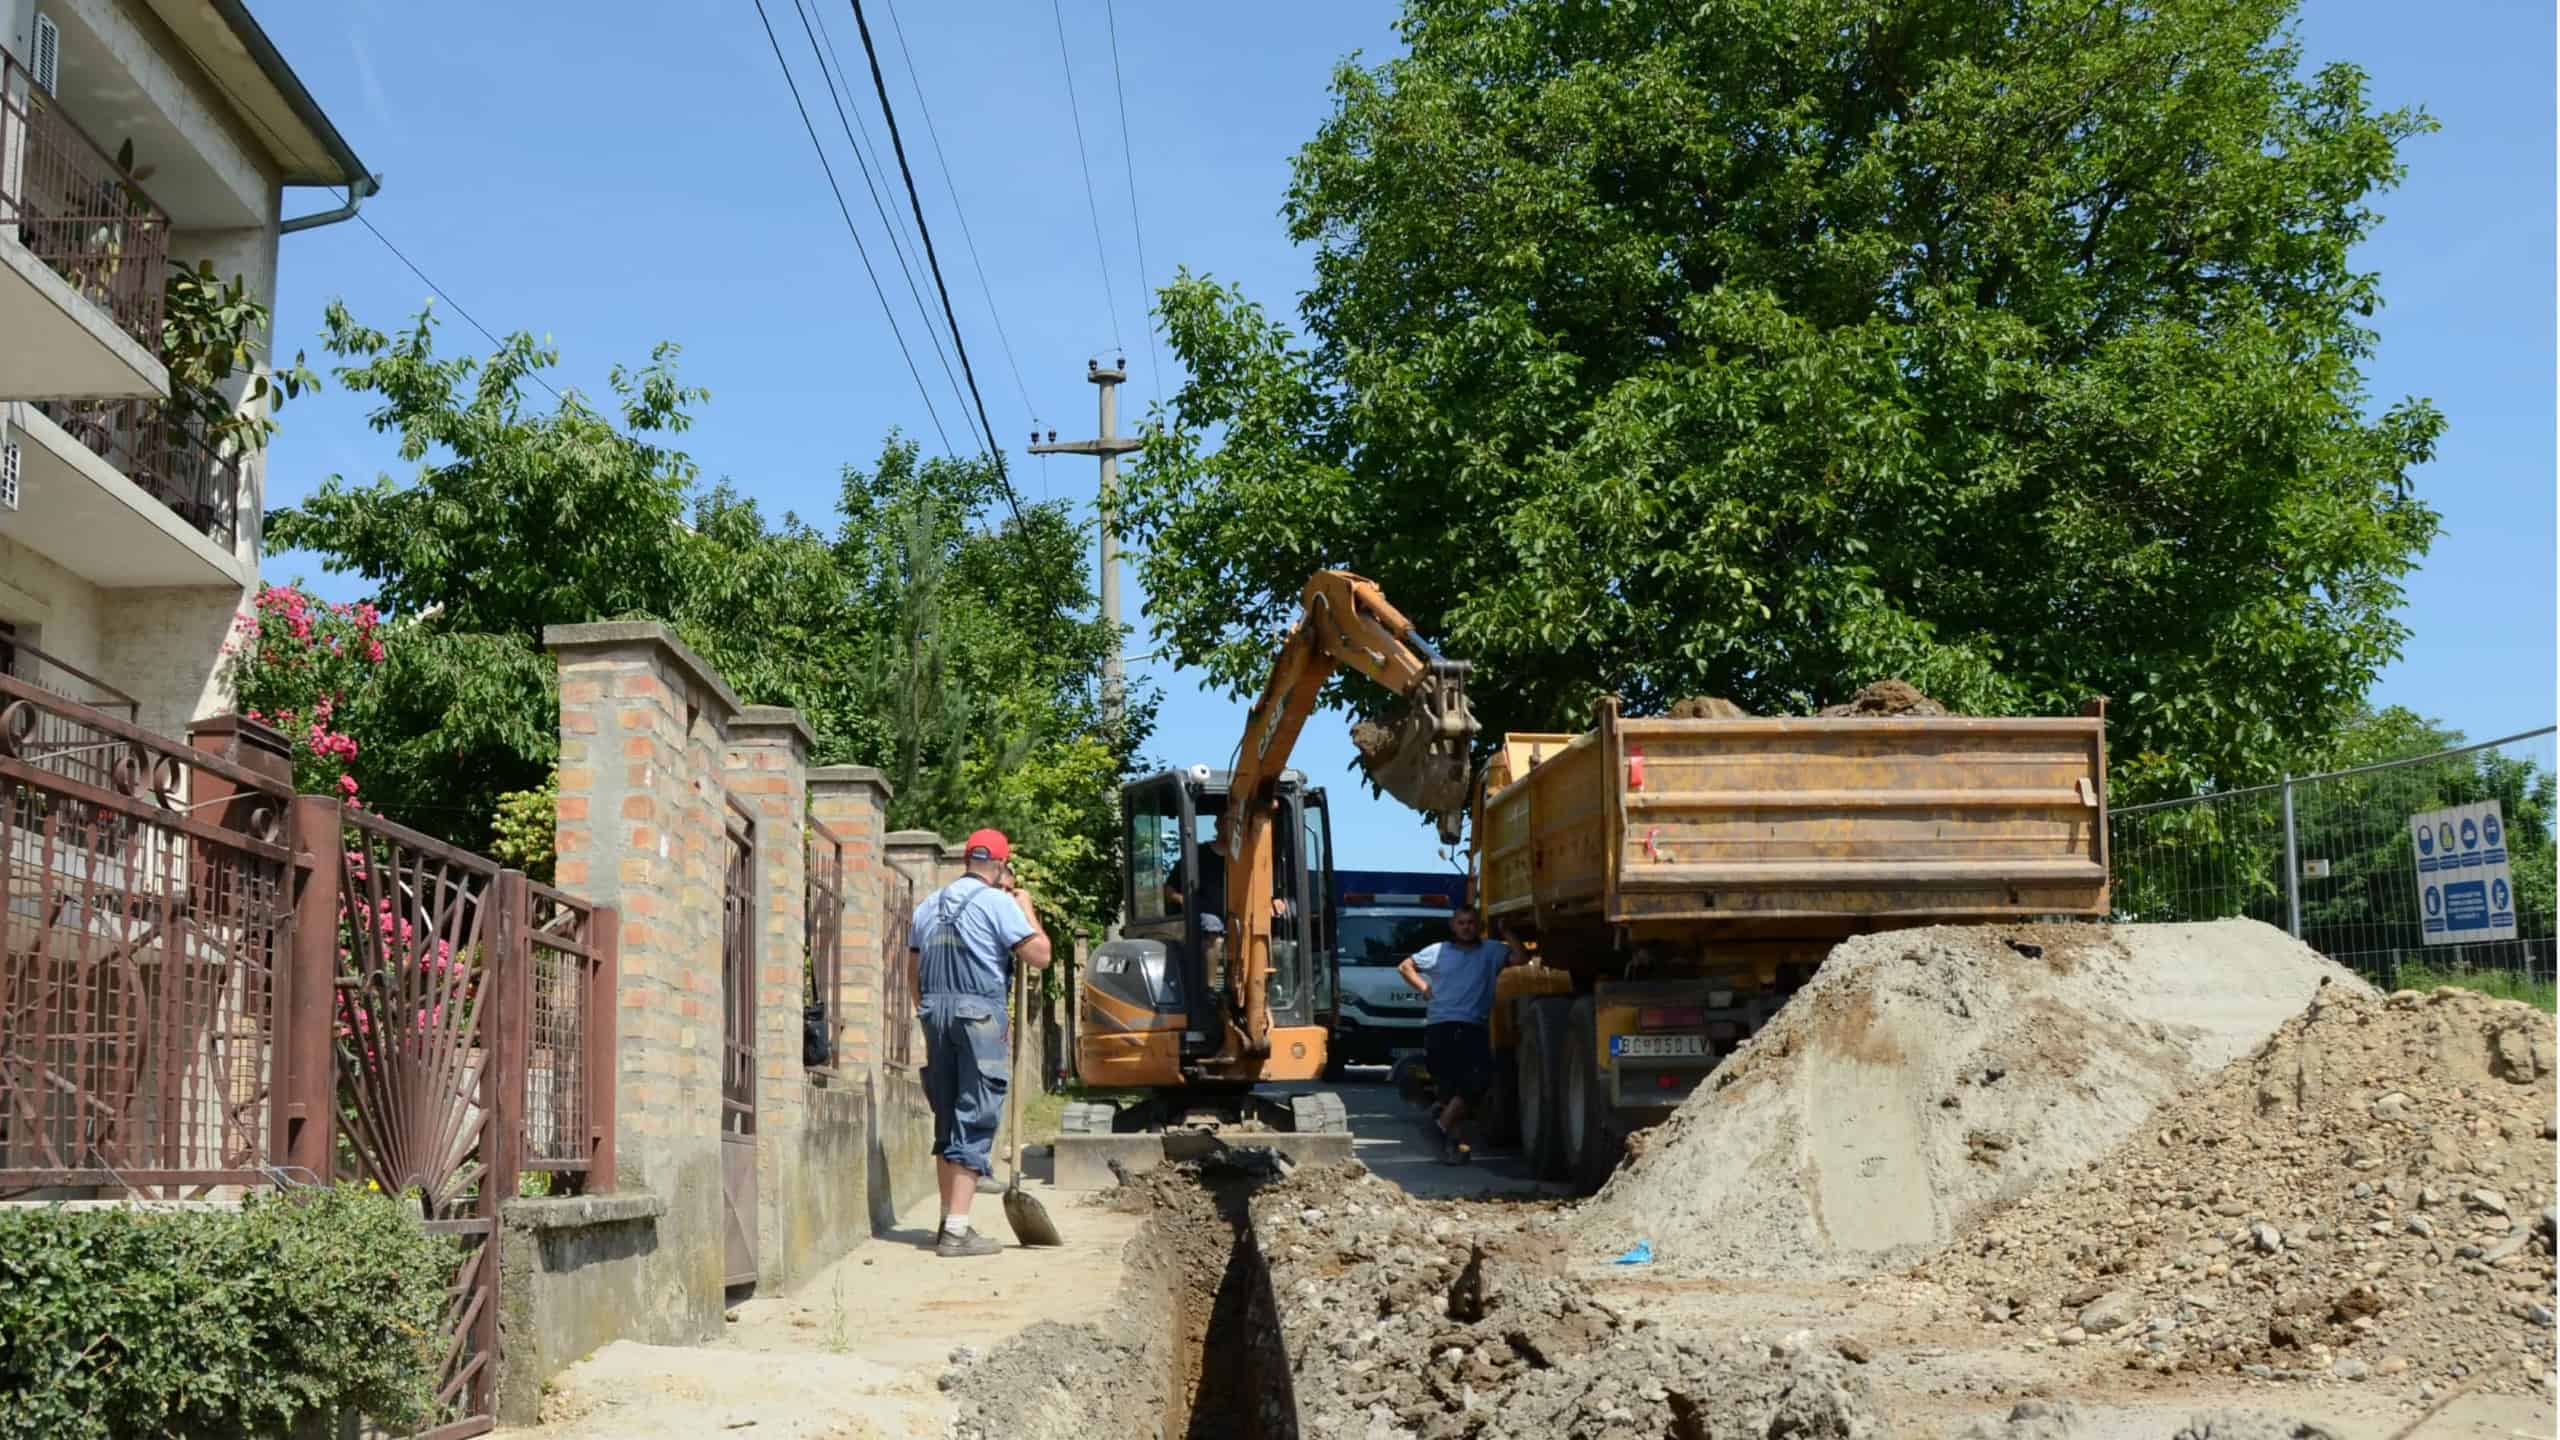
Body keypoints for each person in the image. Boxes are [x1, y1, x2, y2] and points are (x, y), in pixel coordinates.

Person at [909, 828, 1052, 1257]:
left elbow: (911, 971)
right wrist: (1026, 911)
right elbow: (1040, 956)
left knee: (947, 1115)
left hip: (934, 1012)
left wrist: (929, 1011)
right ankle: (957, 1232)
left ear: (966, 862)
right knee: (974, 1113)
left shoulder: (928, 905)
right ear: (999, 867)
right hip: (979, 1015)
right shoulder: (998, 904)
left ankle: (947, 1219)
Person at [1396, 908, 1513, 1165]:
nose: (1466, 927)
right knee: (1449, 1091)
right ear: (1453, 925)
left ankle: (1440, 1125)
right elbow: (1405, 967)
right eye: (1461, 923)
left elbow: (1521, 958)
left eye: (1471, 923)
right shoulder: (1437, 951)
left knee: (1480, 1080)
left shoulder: (1492, 951)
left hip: (1473, 1026)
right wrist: (1425, 988)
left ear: (1479, 926)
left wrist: (1508, 933)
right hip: (1441, 1026)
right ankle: (1454, 1147)